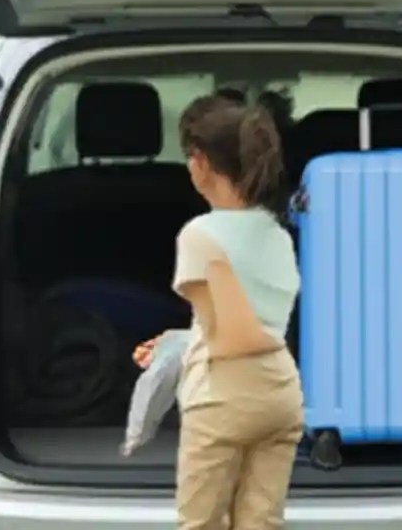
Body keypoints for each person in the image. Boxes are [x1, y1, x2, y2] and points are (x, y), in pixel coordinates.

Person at [133, 94, 303, 529]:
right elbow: (255, 320)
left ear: (203, 164)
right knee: (262, 520)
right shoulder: (277, 233)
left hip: (223, 399)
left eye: (191, 155)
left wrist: (193, 345)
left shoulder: (199, 235)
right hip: (281, 395)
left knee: (202, 522)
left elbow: (229, 339)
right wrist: (183, 340)